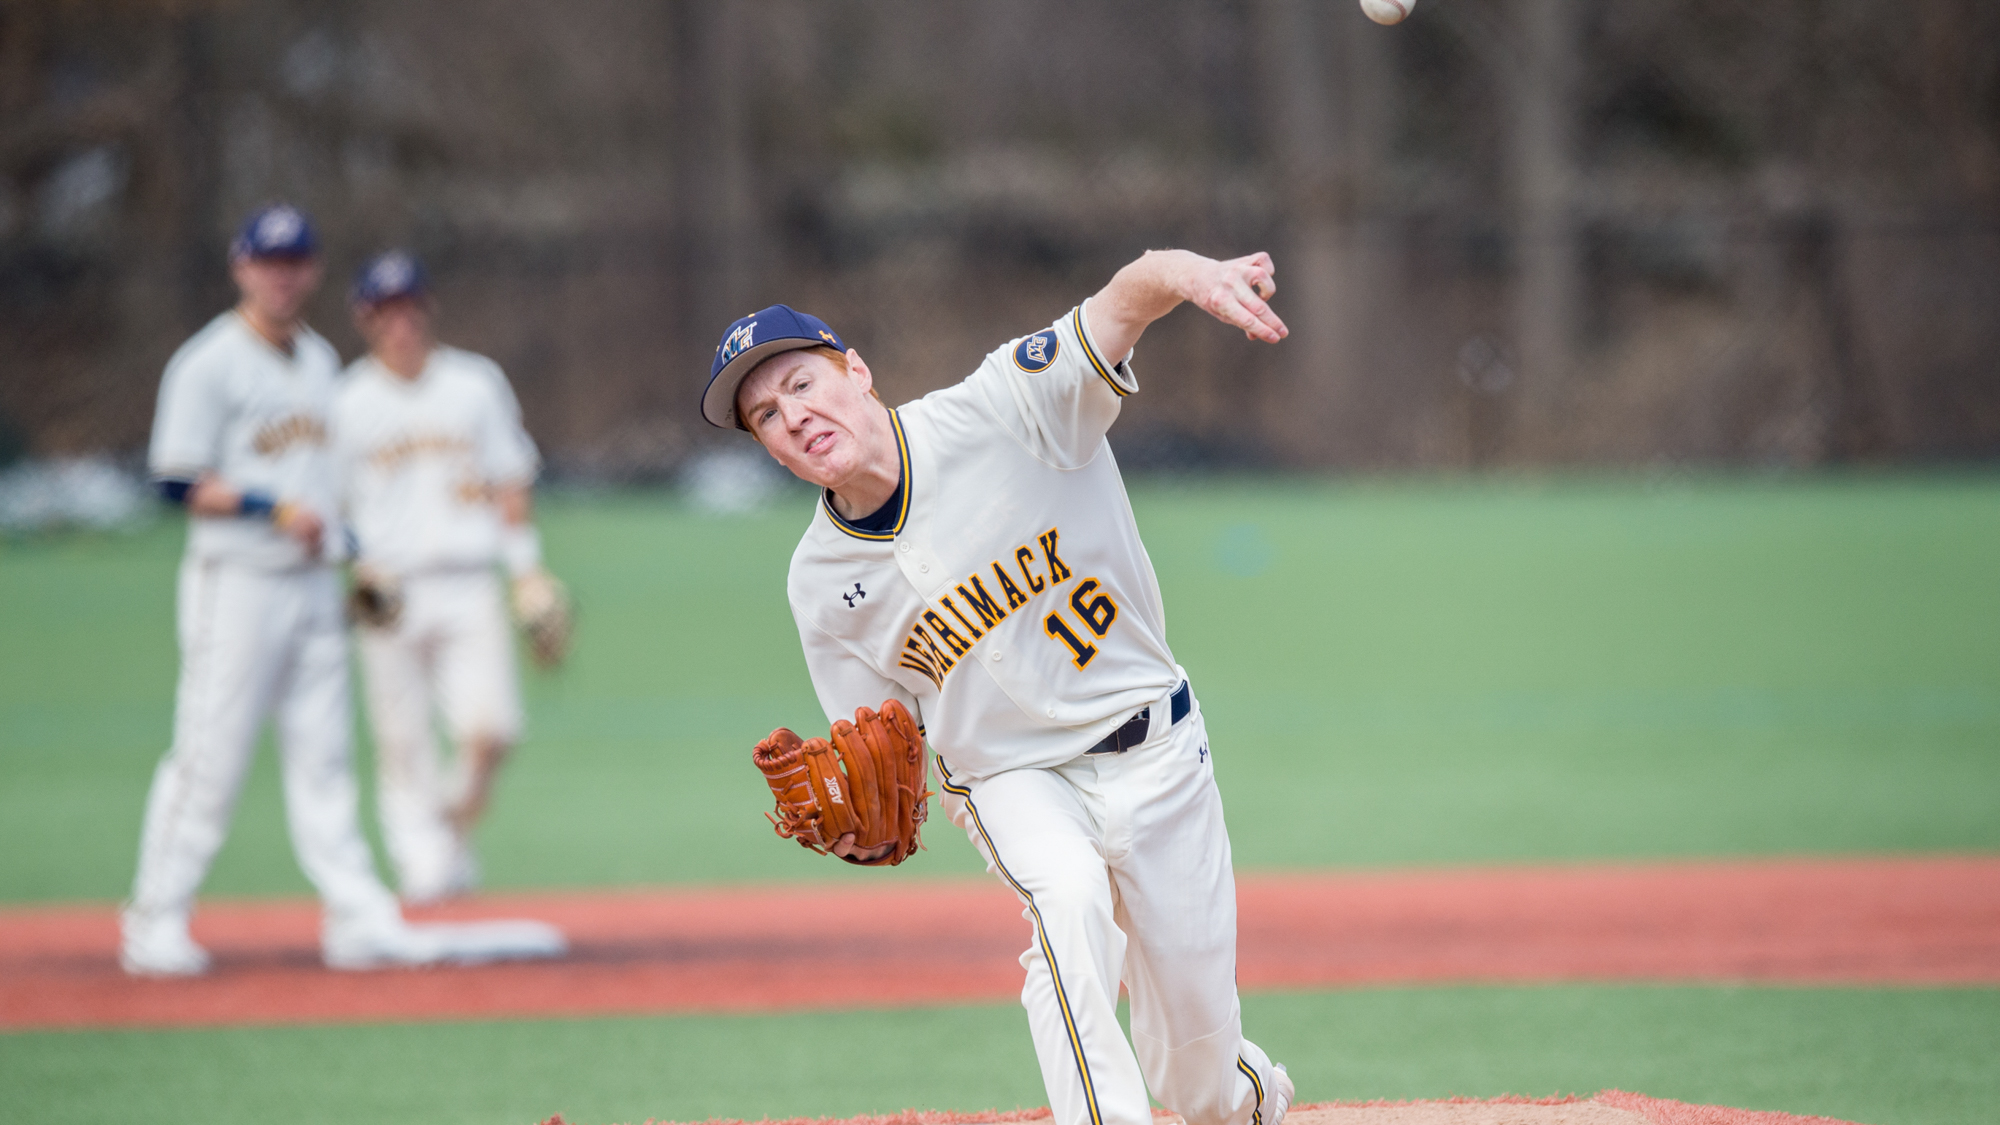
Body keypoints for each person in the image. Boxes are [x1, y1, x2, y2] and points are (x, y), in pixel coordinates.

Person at [701, 249, 1295, 1125]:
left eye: (800, 383)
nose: (793, 415)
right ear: (769, 450)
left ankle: (1248, 1096)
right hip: (1011, 778)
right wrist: (864, 814)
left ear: (855, 372)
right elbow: (878, 737)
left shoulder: (1004, 407)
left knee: (1198, 1081)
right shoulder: (819, 582)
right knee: (1068, 906)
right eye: (765, 415)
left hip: (1157, 747)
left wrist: (1183, 275)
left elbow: (1116, 307)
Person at [126, 205, 443, 974]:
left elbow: (324, 485)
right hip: (236, 581)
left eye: (296, 261)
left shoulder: (318, 360)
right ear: (242, 267)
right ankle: (155, 919)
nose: (283, 275)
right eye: (269, 261)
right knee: (210, 756)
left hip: (310, 585)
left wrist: (356, 552)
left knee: (326, 758)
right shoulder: (209, 362)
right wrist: (273, 508)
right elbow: (175, 480)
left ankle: (357, 913)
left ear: (314, 270)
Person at [332, 250, 557, 904]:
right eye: (385, 310)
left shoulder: (474, 383)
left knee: (493, 729)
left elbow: (510, 479)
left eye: (409, 306)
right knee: (401, 738)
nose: (400, 321)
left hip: (467, 576)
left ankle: (449, 824)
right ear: (365, 318)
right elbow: (331, 502)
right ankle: (422, 862)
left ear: (427, 308)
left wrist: (527, 571)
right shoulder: (346, 401)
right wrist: (358, 565)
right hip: (388, 585)